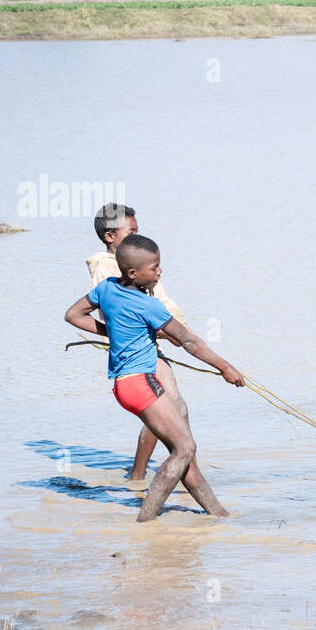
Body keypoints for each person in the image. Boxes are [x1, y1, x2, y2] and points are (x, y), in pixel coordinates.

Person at [65, 234, 245, 523]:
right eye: (154, 267)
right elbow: (188, 341)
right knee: (185, 448)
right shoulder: (148, 306)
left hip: (124, 387)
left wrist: (112, 331)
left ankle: (220, 516)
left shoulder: (106, 289)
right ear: (134, 273)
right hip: (141, 383)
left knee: (183, 453)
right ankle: (145, 520)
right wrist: (226, 368)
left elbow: (73, 315)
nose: (159, 271)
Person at [87, 203, 186, 485]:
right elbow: (121, 313)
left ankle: (140, 477)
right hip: (142, 347)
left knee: (163, 412)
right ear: (110, 236)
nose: (135, 238)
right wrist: (173, 334)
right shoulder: (107, 270)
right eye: (130, 232)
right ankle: (179, 473)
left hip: (152, 341)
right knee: (173, 410)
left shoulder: (133, 263)